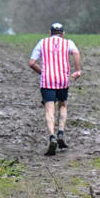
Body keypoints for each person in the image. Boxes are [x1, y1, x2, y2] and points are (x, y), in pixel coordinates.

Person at [28, 22, 82, 155]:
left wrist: (42, 72)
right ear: (63, 33)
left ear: (50, 32)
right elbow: (76, 53)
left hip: (47, 80)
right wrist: (78, 70)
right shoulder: (68, 43)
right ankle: (61, 132)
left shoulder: (42, 43)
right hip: (62, 79)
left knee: (49, 109)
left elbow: (31, 63)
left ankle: (52, 136)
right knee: (62, 106)